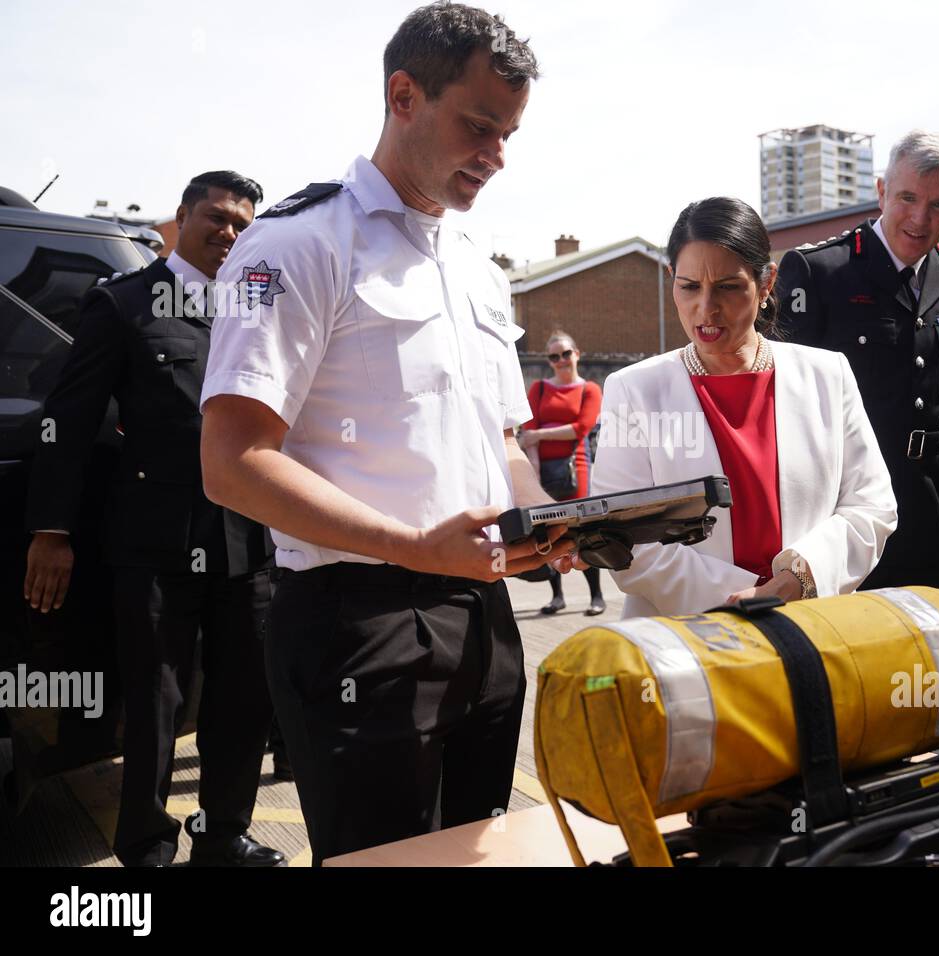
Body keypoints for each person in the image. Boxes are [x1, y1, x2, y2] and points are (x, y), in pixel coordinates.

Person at [198, 3, 574, 863]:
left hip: (483, 613)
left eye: (510, 133)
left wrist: (553, 519)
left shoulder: (478, 268)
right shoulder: (288, 247)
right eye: (479, 125)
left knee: (476, 850)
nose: (498, 155)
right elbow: (232, 463)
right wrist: (411, 545)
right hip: (357, 624)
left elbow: (505, 445)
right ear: (404, 94)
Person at [24, 171, 285, 867]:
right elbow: (69, 419)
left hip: (249, 537)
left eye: (241, 224)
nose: (229, 233)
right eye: (217, 217)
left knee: (243, 697)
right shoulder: (124, 304)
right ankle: (144, 843)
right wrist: (51, 530)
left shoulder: (257, 305)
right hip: (155, 539)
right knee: (154, 703)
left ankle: (223, 832)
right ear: (181, 217)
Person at [589, 197, 897, 618]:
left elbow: (871, 505)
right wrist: (748, 596)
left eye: (729, 287)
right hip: (684, 638)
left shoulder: (828, 374)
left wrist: (795, 582)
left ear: (767, 282)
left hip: (810, 622)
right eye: (690, 286)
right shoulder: (633, 390)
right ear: (671, 280)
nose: (706, 308)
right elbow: (623, 535)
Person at [776, 130, 939, 595]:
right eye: (908, 198)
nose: (921, 218)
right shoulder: (819, 272)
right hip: (842, 514)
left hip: (932, 511)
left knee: (932, 652)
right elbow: (776, 395)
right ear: (881, 191)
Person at [518, 331, 605, 615]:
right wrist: (533, 472)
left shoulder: (589, 389)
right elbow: (526, 432)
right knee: (548, 532)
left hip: (576, 468)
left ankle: (596, 595)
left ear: (576, 353)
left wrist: (540, 435)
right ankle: (557, 596)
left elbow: (581, 427)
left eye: (565, 354)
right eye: (554, 357)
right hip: (542, 471)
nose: (561, 361)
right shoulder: (539, 389)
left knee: (579, 530)